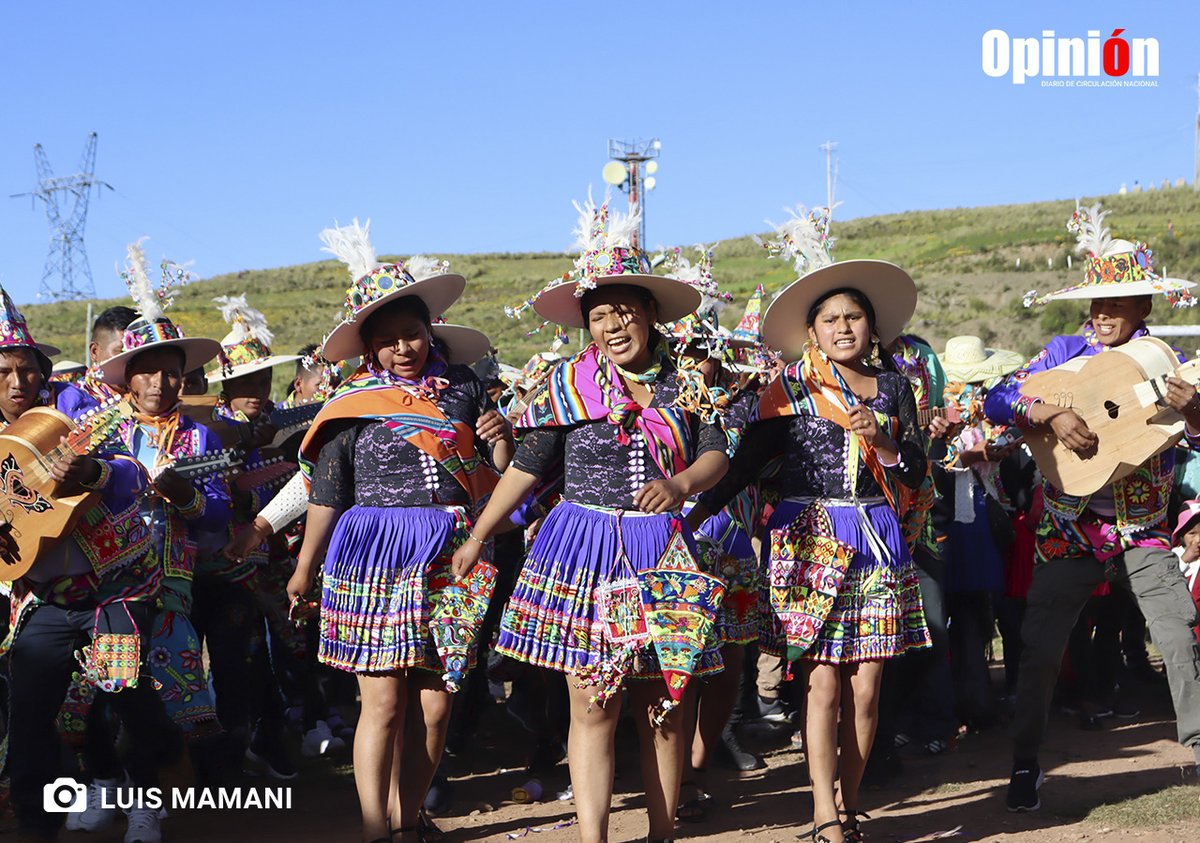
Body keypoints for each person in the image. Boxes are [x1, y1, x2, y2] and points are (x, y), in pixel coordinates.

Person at [452, 195, 727, 843]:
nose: (613, 324)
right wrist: (480, 533)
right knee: (593, 700)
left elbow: (717, 452)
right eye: (599, 315)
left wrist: (682, 482)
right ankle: (592, 836)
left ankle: (662, 832)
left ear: (651, 312)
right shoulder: (566, 385)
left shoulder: (687, 383)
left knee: (664, 702)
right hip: (585, 551)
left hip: (661, 551)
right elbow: (527, 466)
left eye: (624, 310)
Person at [689, 206, 931, 843]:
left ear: (871, 326)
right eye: (831, 319)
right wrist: (690, 516)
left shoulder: (895, 389)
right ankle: (823, 812)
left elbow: (917, 472)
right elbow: (742, 468)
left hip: (877, 540)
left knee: (868, 690)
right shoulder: (785, 392)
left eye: (854, 316)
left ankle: (850, 803)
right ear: (812, 331)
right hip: (807, 541)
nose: (843, 327)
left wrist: (885, 442)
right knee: (821, 685)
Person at [288, 220, 511, 843]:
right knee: (382, 703)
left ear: (429, 329)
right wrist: (305, 567)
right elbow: (327, 493)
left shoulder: (465, 387)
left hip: (453, 551)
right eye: (386, 341)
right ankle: (373, 829)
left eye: (410, 334)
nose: (402, 349)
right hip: (372, 553)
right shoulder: (350, 403)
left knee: (436, 707)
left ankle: (409, 820)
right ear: (369, 347)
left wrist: (500, 440)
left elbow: (493, 479)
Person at [986, 201, 1200, 811]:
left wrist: (1194, 413)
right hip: (1068, 528)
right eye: (1097, 302)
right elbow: (996, 399)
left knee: (1178, 636)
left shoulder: (1172, 367)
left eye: (1118, 304)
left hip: (1143, 530)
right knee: (1040, 652)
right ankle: (1026, 763)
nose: (1102, 314)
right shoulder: (1061, 353)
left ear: (1144, 309)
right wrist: (1050, 412)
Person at [1171, 500, 1200, 645]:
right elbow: (1168, 578)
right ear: (1181, 536)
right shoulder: (1175, 555)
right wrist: (1185, 559)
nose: (1198, 539)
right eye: (1192, 533)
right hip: (1183, 619)